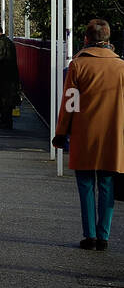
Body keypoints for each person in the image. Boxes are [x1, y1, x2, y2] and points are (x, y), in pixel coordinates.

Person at [53, 19, 124, 251]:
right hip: (114, 135)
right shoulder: (121, 66)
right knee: (107, 184)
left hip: (84, 134)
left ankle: (89, 235)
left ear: (86, 39)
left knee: (85, 184)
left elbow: (70, 103)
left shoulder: (78, 65)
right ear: (108, 38)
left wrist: (61, 132)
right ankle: (104, 236)